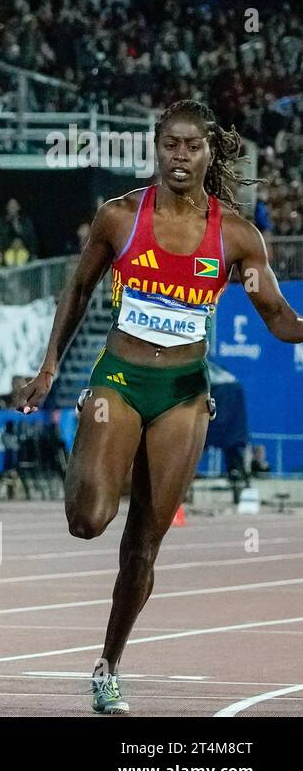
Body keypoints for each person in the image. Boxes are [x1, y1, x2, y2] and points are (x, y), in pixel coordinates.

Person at [15, 99, 303, 714]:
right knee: (88, 520)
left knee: (144, 543)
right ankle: (91, 442)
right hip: (118, 378)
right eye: (169, 144)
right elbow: (80, 288)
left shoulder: (235, 237)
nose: (179, 155)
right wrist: (49, 367)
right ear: (155, 147)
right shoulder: (119, 218)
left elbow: (277, 317)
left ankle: (108, 664)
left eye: (191, 146)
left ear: (207, 153)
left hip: (183, 395)